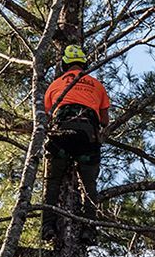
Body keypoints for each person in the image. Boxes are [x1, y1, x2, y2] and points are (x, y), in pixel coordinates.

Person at [41, 44, 110, 245]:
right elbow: (104, 120)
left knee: (52, 182)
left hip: (60, 136)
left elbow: (47, 114)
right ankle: (89, 229)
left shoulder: (55, 84)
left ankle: (48, 227)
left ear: (64, 64)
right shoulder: (96, 85)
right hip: (87, 138)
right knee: (89, 186)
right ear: (83, 64)